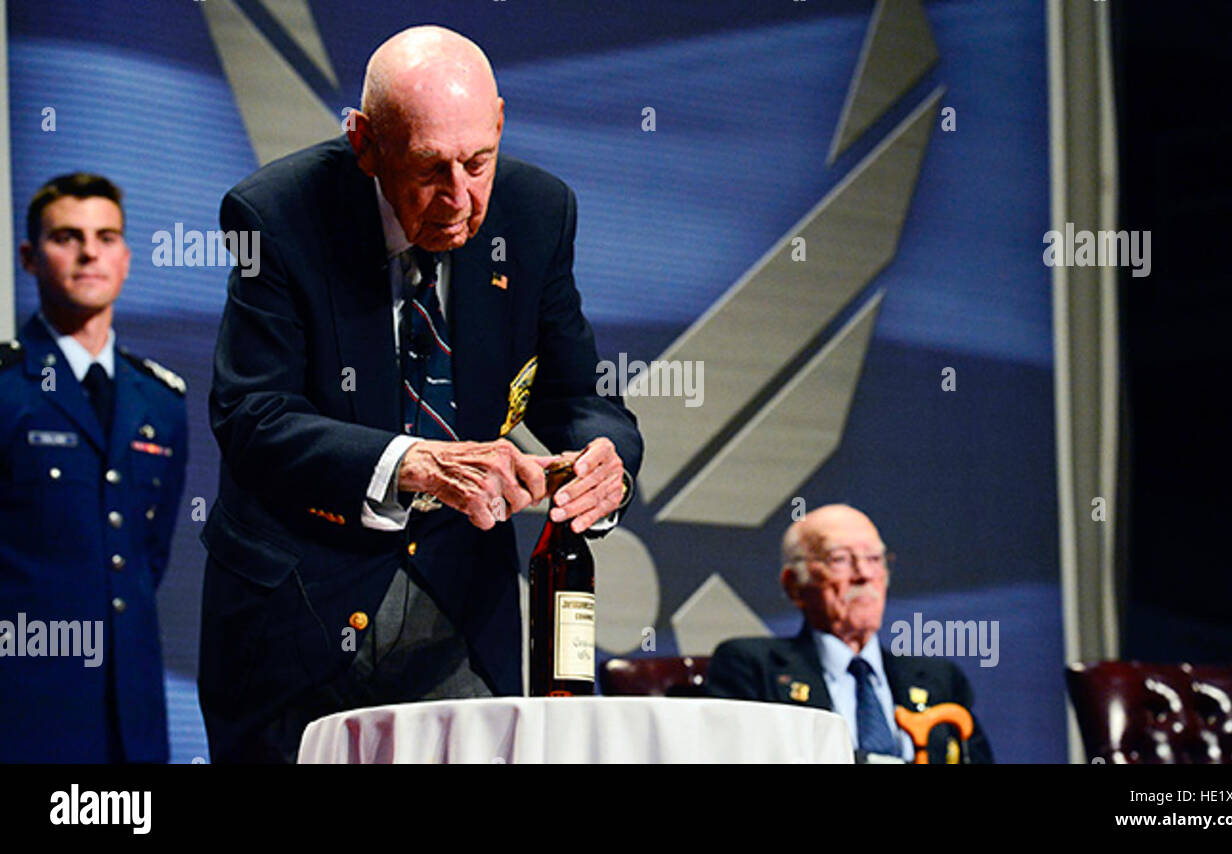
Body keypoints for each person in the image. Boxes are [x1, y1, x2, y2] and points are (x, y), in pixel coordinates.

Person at [199, 25, 643, 762]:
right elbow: (252, 417)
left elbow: (580, 396)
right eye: (430, 168)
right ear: (366, 143)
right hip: (298, 615)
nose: (459, 199)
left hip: (461, 609)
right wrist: (414, 463)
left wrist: (609, 458)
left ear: (499, 121)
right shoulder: (275, 215)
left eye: (478, 162)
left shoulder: (536, 215)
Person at [0, 173, 188, 762]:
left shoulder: (161, 399)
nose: (89, 252)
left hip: (131, 713)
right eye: (67, 237)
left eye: (106, 237)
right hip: (23, 708)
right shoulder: (6, 387)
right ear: (30, 257)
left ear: (127, 259)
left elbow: (144, 556)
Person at [706, 504, 993, 763]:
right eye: (840, 559)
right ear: (793, 584)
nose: (864, 573)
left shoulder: (940, 679)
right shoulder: (752, 667)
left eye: (874, 558)